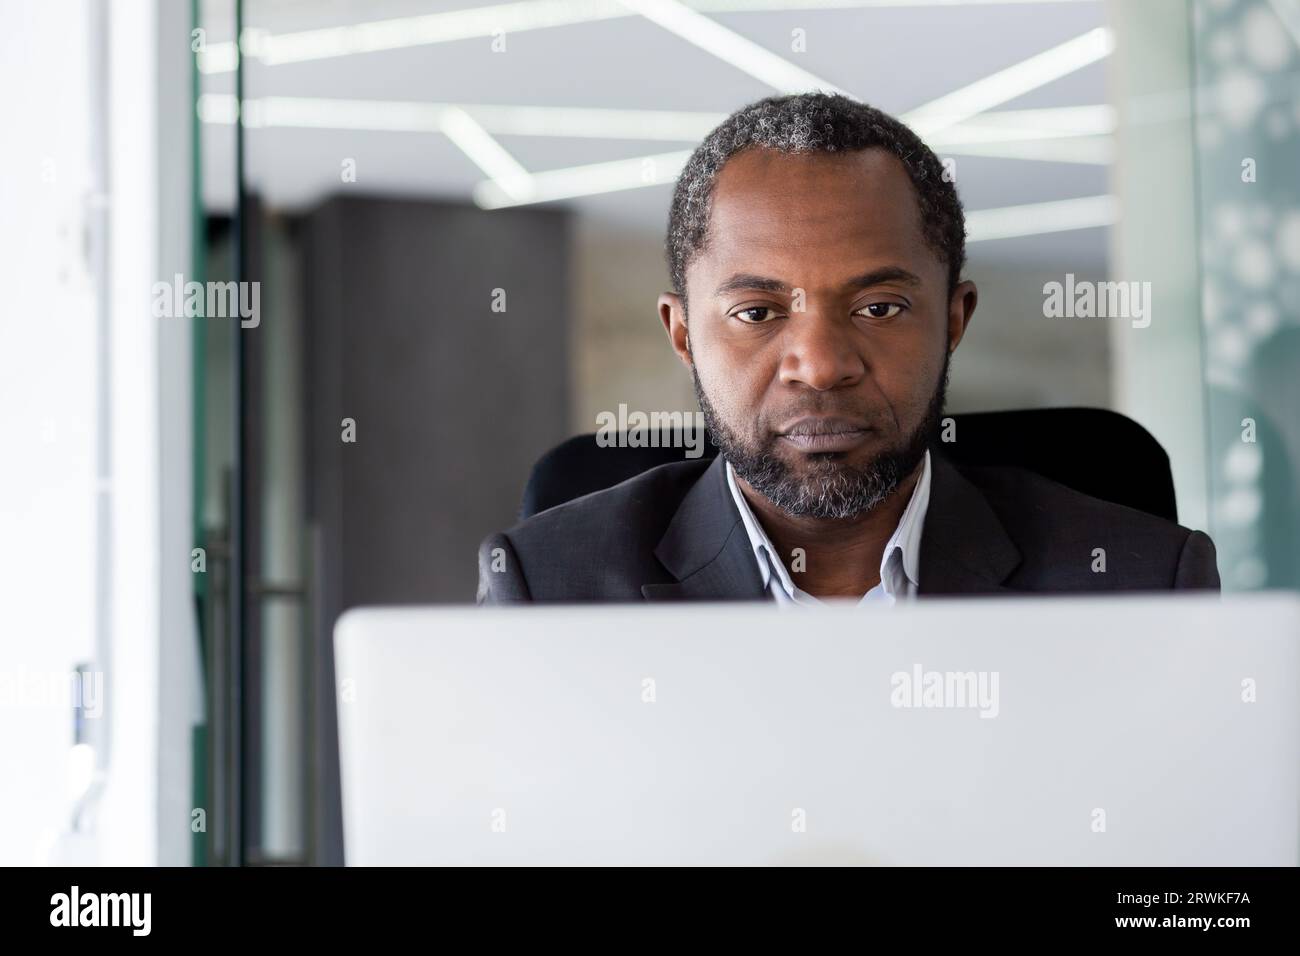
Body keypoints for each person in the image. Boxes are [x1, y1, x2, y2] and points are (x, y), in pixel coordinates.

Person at [477, 93, 1219, 604]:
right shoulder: (548, 587)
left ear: (954, 318)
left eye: (878, 307)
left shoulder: (1139, 577)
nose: (822, 364)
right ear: (682, 335)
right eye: (759, 311)